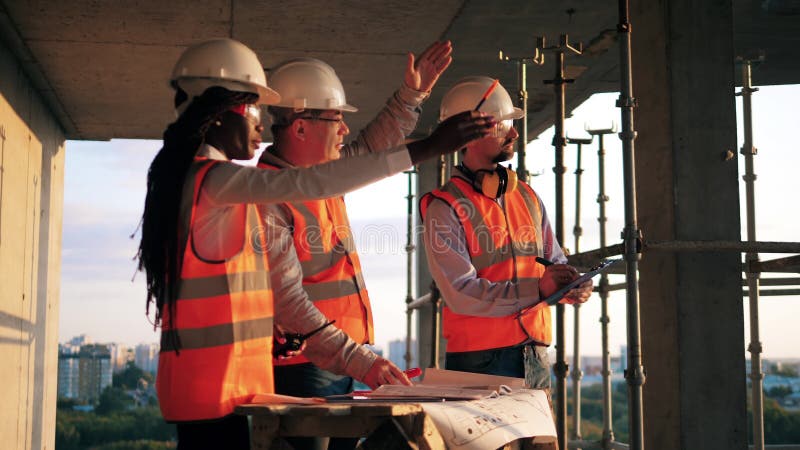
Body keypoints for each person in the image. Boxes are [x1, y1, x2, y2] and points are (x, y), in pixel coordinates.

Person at [136, 39, 496, 450]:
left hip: (227, 384)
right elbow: (307, 185)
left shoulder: (213, 183)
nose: (261, 122)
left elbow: (358, 156)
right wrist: (429, 147)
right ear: (219, 113)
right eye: (253, 107)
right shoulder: (219, 183)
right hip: (221, 384)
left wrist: (411, 98)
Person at [257, 41, 451, 450]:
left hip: (342, 360)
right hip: (305, 367)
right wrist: (361, 360)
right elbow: (288, 303)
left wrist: (412, 96)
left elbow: (371, 149)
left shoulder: (320, 175)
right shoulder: (267, 196)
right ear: (301, 126)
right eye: (336, 119)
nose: (345, 129)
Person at [420, 77, 593, 447]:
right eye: (502, 125)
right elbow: (460, 294)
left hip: (534, 355)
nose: (514, 133)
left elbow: (553, 261)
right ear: (467, 135)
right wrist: (539, 288)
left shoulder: (527, 196)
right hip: (479, 362)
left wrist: (567, 285)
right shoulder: (444, 207)